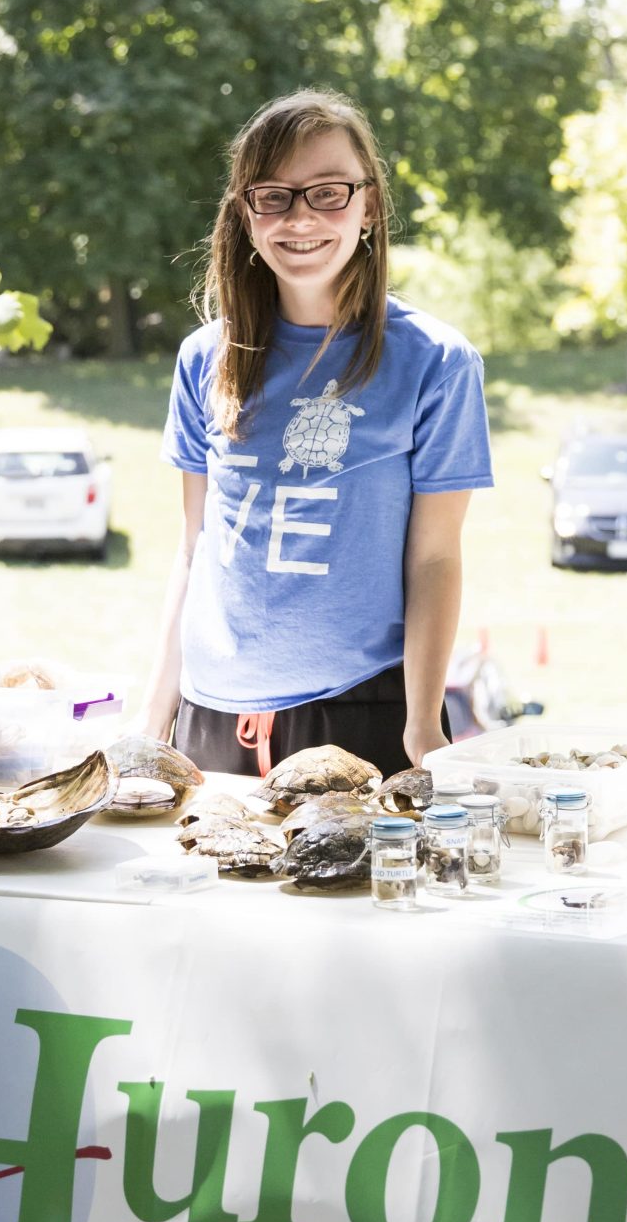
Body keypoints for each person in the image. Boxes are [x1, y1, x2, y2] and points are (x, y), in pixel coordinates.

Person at [138, 89, 492, 781]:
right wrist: (154, 719)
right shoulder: (203, 358)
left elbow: (435, 559)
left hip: (364, 711)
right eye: (274, 196)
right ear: (245, 213)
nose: (301, 218)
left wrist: (422, 720)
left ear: (368, 206)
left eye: (329, 192)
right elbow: (197, 546)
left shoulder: (437, 362)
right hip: (209, 718)